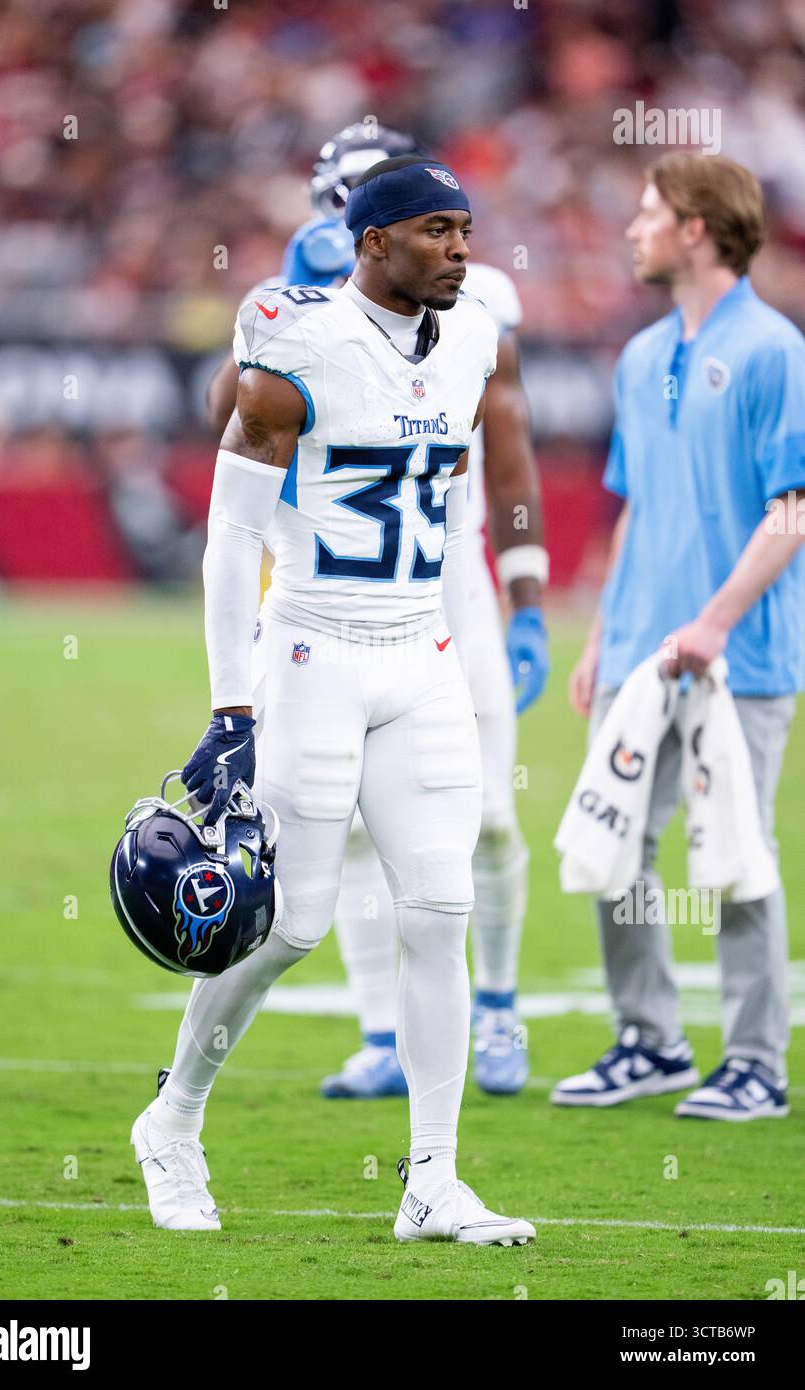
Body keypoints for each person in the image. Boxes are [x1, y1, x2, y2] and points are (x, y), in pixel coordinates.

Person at [132, 154, 536, 1245]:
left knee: (439, 908)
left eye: (465, 228)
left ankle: (432, 1179)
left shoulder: (470, 340)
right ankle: (171, 1121)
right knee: (294, 920)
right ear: (372, 242)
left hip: (418, 656)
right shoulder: (295, 343)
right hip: (311, 648)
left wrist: (466, 621)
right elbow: (230, 533)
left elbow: (450, 501)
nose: (460, 248)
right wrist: (230, 705)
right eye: (437, 230)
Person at [207, 125, 548, 1099]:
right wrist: (269, 313)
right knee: (345, 838)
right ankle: (380, 1034)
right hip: (332, 599)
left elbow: (512, 439)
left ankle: (497, 1012)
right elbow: (222, 428)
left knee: (483, 816)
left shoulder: (474, 307)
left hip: (449, 589)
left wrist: (524, 587)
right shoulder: (298, 308)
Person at [552, 153, 805, 1120]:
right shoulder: (638, 354)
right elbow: (636, 508)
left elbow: (791, 508)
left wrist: (714, 621)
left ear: (697, 227)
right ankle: (648, 1040)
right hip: (637, 655)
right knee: (613, 844)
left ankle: (756, 1065)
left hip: (740, 656)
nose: (634, 229)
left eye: (650, 213)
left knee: (738, 849)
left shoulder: (774, 349)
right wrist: (600, 638)